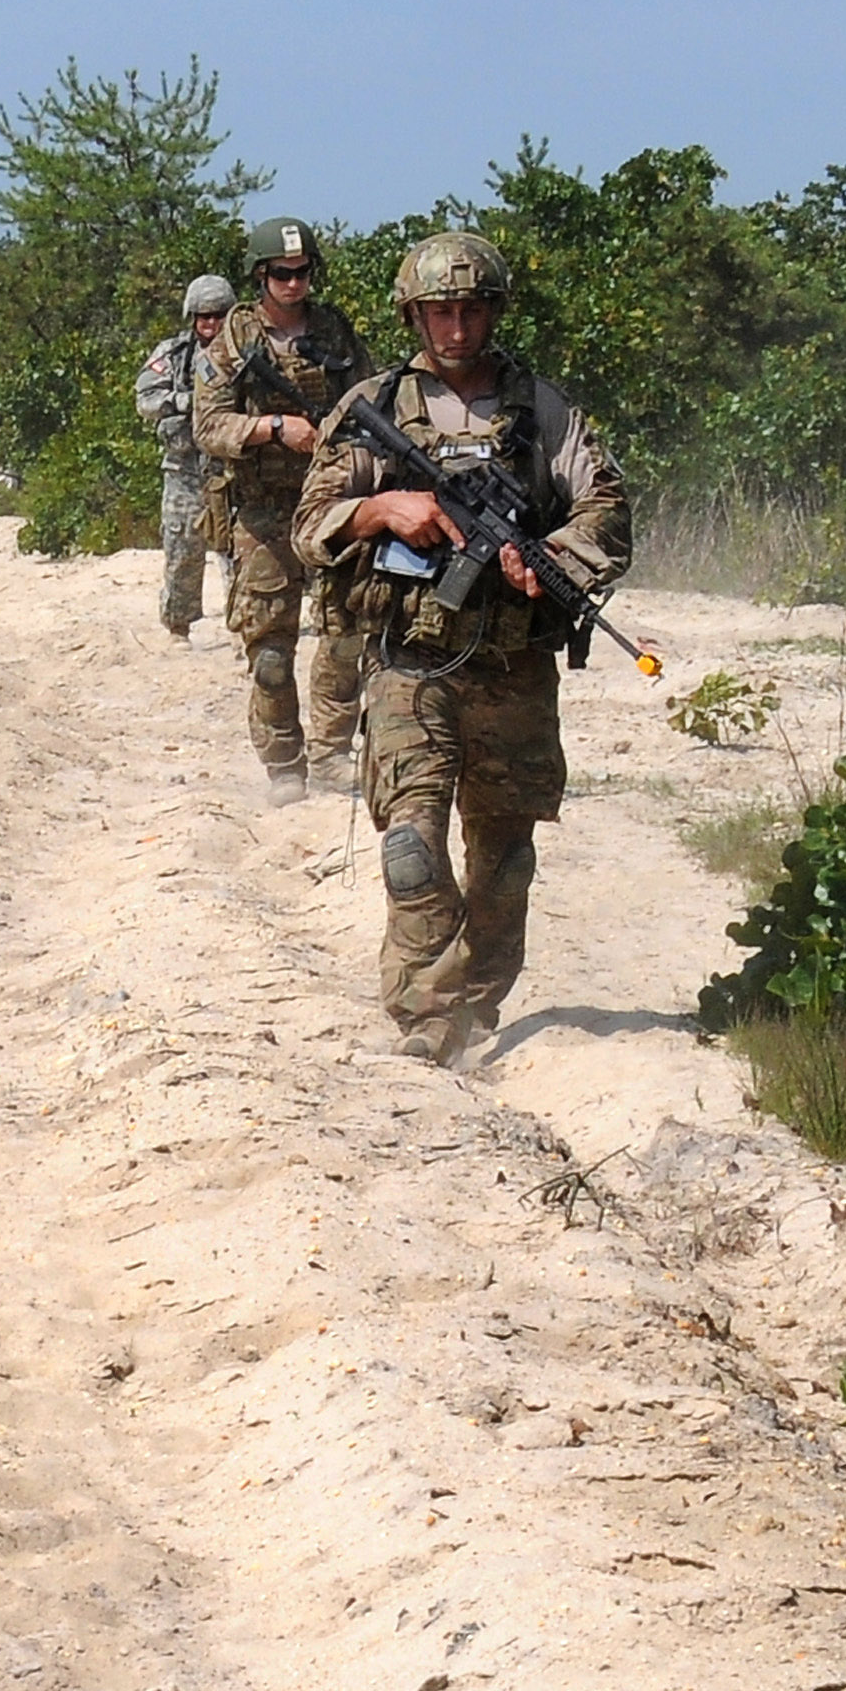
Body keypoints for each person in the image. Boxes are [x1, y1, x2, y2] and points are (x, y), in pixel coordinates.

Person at [295, 232, 629, 1068]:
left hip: (512, 666)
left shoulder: (541, 411)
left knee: (504, 862)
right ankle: (424, 1008)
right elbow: (311, 525)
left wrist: (547, 560)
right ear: (413, 313)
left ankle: (475, 1003)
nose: (455, 327)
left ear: (493, 312)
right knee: (409, 842)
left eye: (471, 309)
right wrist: (382, 510)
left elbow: (605, 510)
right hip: (408, 658)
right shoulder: (374, 407)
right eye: (438, 311)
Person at [192, 216, 374, 805]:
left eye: (302, 273)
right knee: (271, 650)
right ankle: (284, 763)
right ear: (260, 275)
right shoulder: (235, 341)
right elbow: (208, 425)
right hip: (264, 513)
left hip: (330, 503)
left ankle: (331, 754)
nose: (293, 284)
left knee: (346, 635)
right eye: (281, 274)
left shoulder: (335, 333)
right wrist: (272, 429)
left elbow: (371, 400)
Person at [137, 275, 236, 639]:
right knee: (182, 551)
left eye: (219, 315)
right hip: (185, 471)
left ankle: (246, 627)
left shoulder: (248, 351)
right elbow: (145, 398)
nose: (211, 324)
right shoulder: (175, 354)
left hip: (233, 470)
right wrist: (184, 402)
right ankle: (178, 625)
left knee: (239, 553)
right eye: (203, 316)